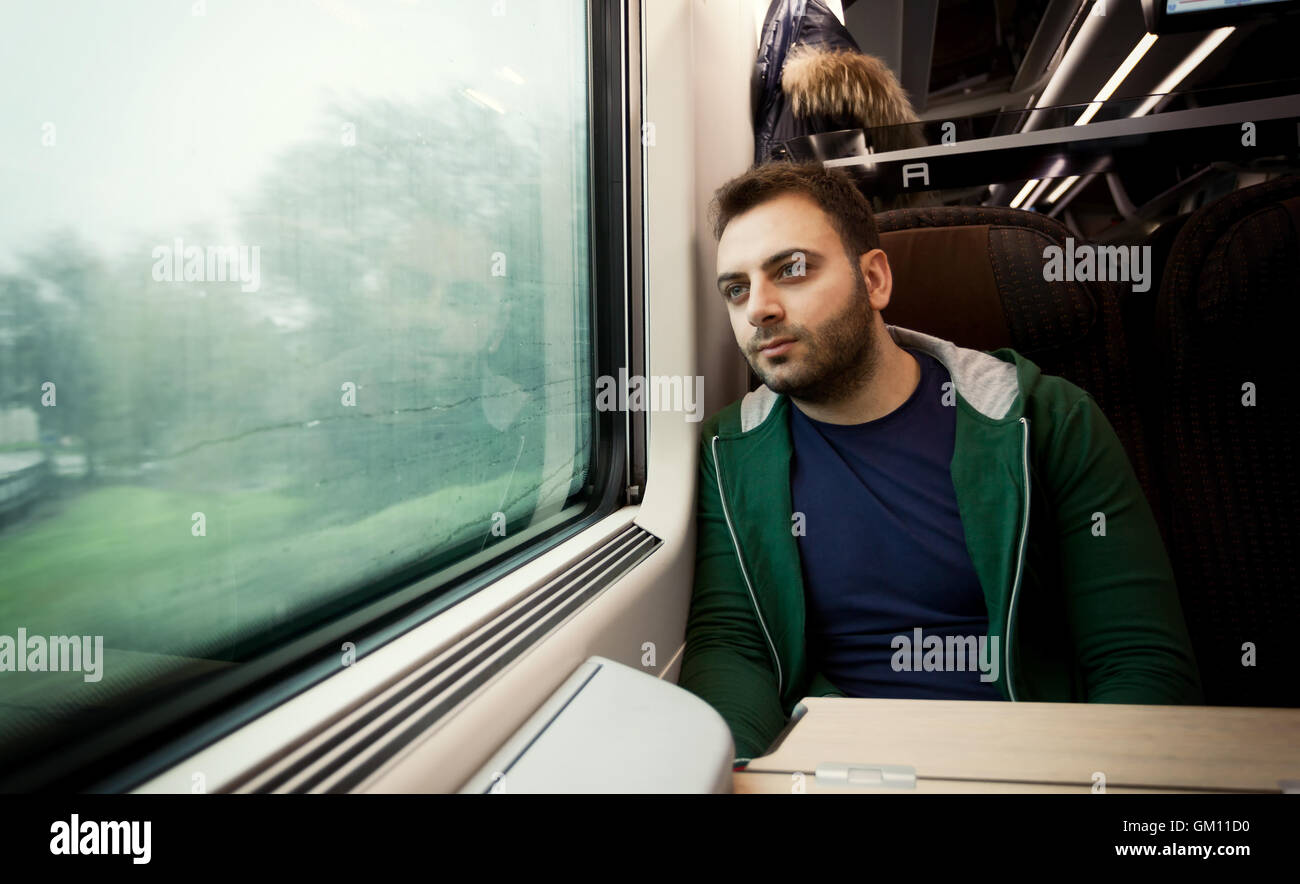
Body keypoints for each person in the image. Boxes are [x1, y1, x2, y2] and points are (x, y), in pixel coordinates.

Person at [678, 162, 1203, 763]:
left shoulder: (1046, 419)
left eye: (791, 269)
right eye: (736, 289)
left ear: (873, 279)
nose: (758, 309)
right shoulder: (731, 449)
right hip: (839, 765)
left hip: (1028, 762)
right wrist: (736, 771)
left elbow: (1137, 657)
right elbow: (733, 645)